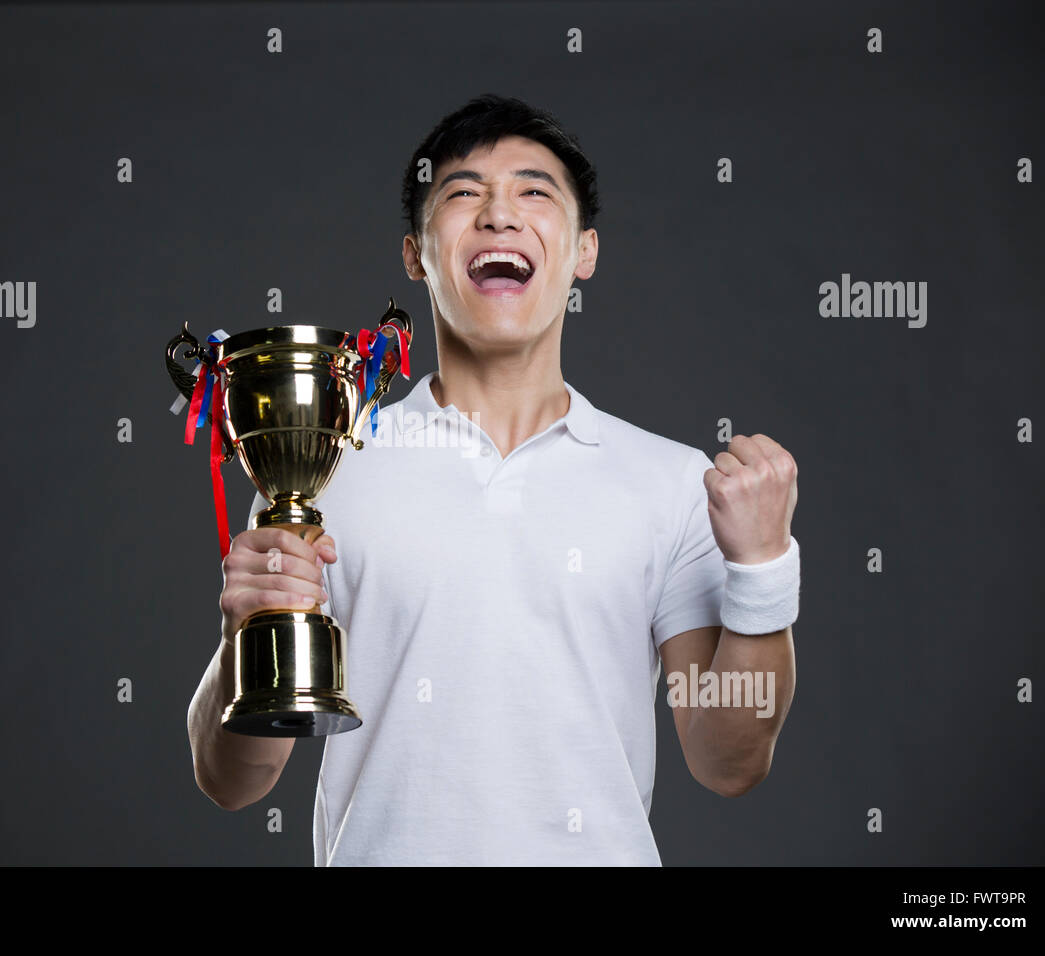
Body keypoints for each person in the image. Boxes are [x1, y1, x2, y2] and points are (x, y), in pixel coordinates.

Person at [187, 94, 800, 866]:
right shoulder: (325, 468)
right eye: (463, 193)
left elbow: (727, 762)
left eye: (534, 192)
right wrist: (242, 635)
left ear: (584, 251)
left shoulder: (675, 483)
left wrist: (764, 571)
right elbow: (232, 781)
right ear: (416, 254)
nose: (500, 215)